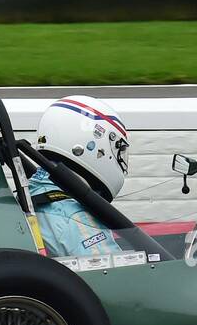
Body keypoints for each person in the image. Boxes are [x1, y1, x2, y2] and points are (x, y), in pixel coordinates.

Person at [27, 96, 132, 258]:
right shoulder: (75, 218)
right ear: (92, 145)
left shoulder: (34, 191)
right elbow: (118, 277)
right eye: (117, 148)